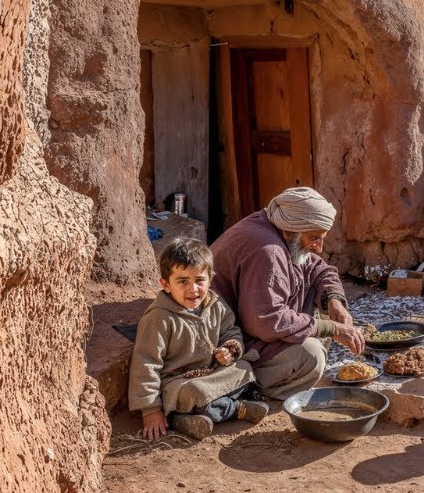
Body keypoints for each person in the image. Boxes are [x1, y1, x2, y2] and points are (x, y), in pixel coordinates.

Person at [210, 187, 365, 400]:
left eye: (322, 238)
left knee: (326, 313)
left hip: (252, 323)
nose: (319, 247)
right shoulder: (269, 250)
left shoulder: (278, 228)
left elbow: (319, 269)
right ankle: (248, 384)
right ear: (292, 229)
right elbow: (266, 319)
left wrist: (334, 301)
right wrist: (331, 328)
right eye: (314, 238)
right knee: (311, 356)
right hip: (228, 338)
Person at [128, 238, 269, 441]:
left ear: (210, 279)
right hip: (178, 382)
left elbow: (231, 331)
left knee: (245, 367)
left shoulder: (215, 304)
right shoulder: (159, 317)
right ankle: (231, 410)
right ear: (166, 284)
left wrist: (230, 349)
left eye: (199, 280)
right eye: (183, 281)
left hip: (211, 372)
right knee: (196, 392)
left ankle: (202, 414)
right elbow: (145, 364)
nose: (193, 289)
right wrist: (150, 411)